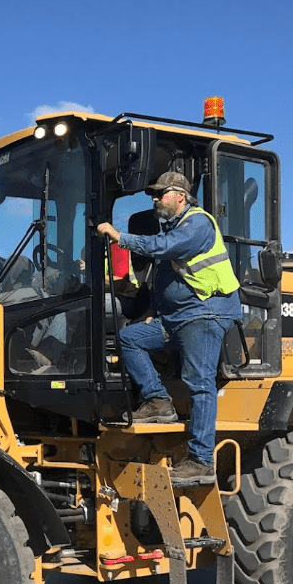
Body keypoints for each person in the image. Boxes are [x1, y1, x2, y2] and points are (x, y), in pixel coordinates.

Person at [96, 172, 242, 487]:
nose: (155, 200)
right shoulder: (173, 230)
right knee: (129, 338)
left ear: (178, 195)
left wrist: (120, 237)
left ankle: (202, 461)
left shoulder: (198, 224)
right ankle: (159, 402)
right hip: (176, 318)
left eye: (160, 194)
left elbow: (166, 247)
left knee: (199, 383)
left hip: (204, 313)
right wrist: (150, 312)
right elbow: (163, 284)